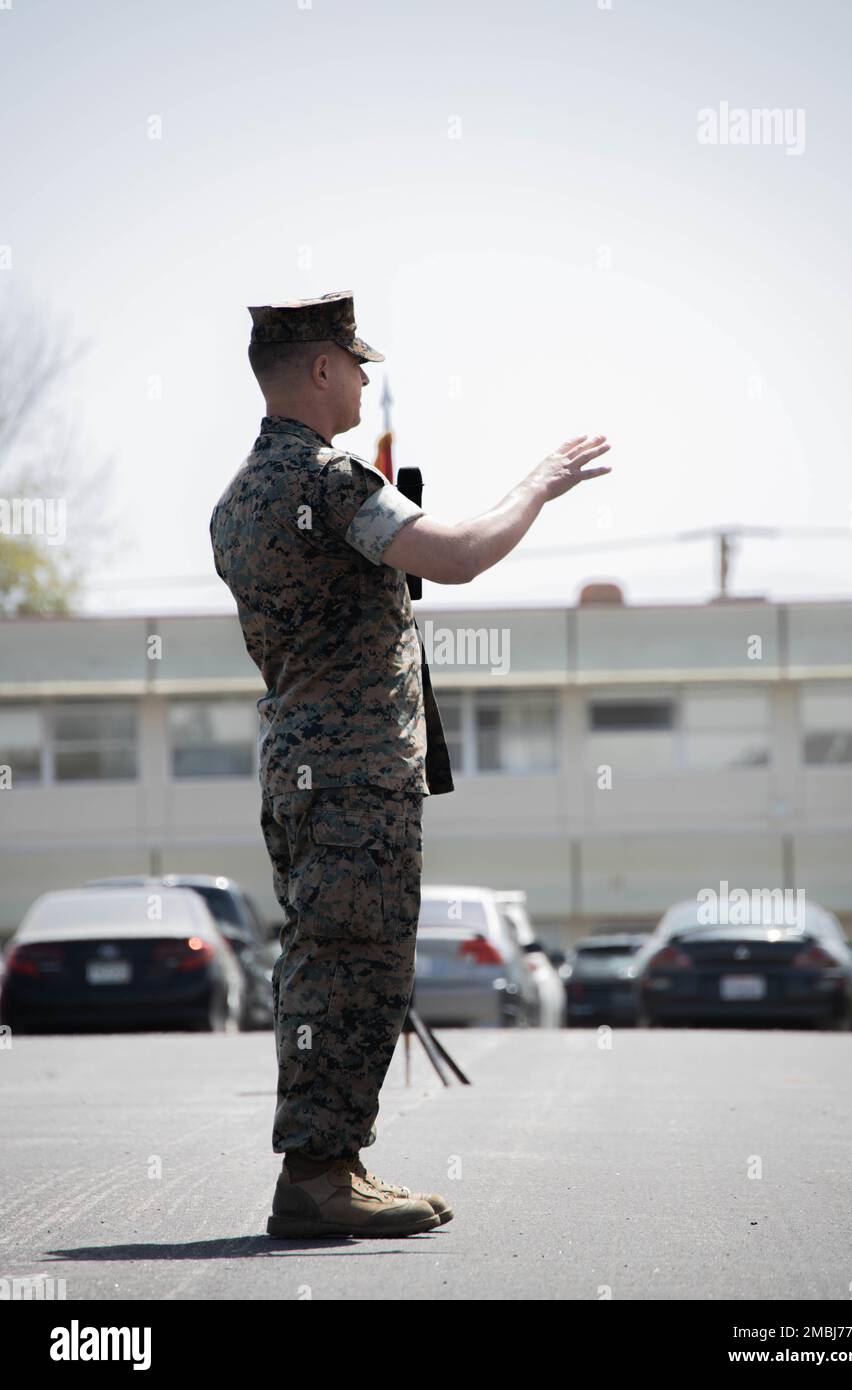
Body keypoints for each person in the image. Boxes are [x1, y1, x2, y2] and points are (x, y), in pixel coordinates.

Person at [209, 290, 611, 1239]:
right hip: (355, 776)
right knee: (357, 966)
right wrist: (539, 483)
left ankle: (333, 1161)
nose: (361, 379)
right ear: (318, 369)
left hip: (298, 765)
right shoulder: (330, 480)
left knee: (322, 963)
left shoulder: (239, 500)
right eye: (354, 364)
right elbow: (462, 554)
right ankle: (318, 1175)